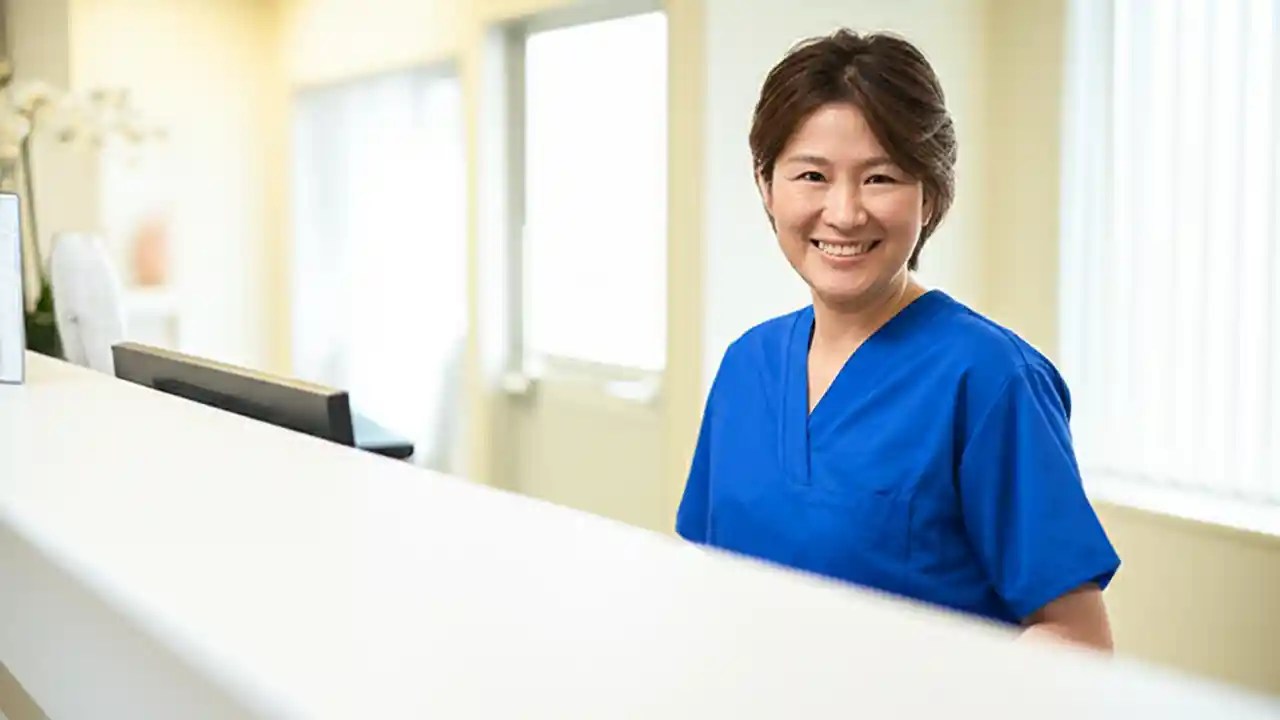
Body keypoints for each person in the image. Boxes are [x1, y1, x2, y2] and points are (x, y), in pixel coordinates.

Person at [675, 29, 1120, 651]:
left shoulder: (989, 378)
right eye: (811, 175)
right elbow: (703, 575)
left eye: (880, 178)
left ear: (931, 194)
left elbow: (1075, 635)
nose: (845, 212)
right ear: (766, 185)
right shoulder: (746, 365)